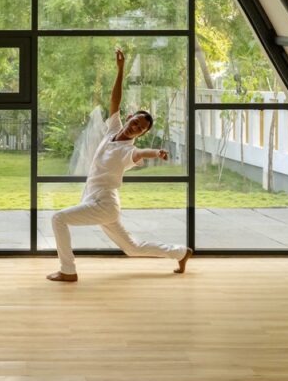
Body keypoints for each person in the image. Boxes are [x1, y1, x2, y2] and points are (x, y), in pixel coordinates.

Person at [47, 48, 192, 282]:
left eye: (140, 128)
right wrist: (121, 69)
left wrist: (158, 152)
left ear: (142, 133)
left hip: (103, 204)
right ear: (129, 118)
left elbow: (142, 153)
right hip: (99, 202)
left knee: (58, 218)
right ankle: (180, 252)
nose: (134, 127)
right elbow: (115, 100)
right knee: (132, 248)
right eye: (134, 122)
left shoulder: (128, 151)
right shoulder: (113, 130)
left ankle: (68, 270)